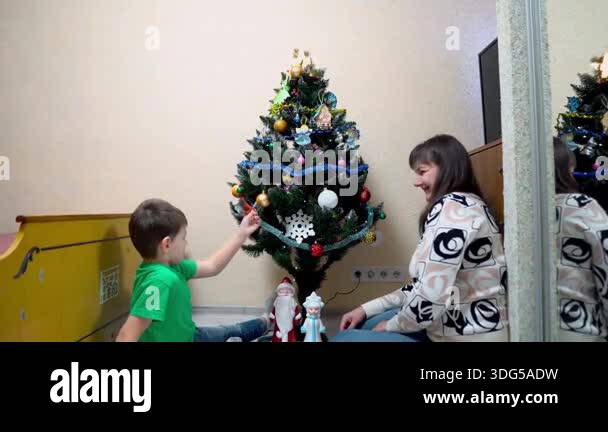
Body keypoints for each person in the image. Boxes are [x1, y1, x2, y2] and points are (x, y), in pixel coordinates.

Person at [331, 134, 509, 342]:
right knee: (366, 322)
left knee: (345, 339)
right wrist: (365, 308)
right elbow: (422, 287)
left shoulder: (454, 210)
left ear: (447, 169)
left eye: (422, 172)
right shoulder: (467, 204)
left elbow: (430, 297)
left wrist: (389, 326)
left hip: (465, 335)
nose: (416, 182)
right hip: (445, 324)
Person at [116, 198, 268, 342]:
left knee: (230, 331)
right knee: (231, 333)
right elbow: (127, 335)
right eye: (183, 238)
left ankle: (266, 321)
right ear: (167, 244)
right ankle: (267, 322)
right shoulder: (159, 281)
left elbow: (213, 266)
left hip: (190, 335)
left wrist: (242, 234)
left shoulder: (172, 266)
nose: (185, 243)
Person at [554, 137, 608, 341]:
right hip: (581, 327)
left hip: (529, 323)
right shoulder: (583, 207)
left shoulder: (523, 214)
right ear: (567, 170)